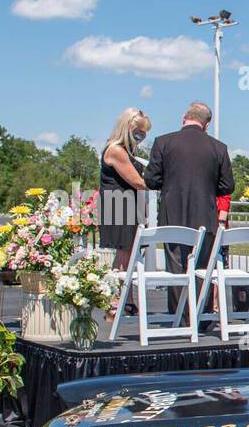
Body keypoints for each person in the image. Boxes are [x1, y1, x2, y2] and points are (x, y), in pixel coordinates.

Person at [143, 102, 235, 317]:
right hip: (205, 216)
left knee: (176, 268)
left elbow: (151, 180)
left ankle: (179, 316)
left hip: (172, 215)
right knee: (202, 268)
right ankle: (200, 316)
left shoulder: (163, 142)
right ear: (206, 124)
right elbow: (227, 186)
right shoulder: (218, 148)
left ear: (184, 118)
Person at [98, 108, 151, 272]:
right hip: (119, 206)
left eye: (144, 132)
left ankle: (125, 296)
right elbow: (138, 182)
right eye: (138, 131)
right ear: (127, 128)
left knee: (129, 254)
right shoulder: (116, 150)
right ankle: (121, 296)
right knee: (124, 254)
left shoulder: (129, 150)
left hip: (129, 205)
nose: (141, 135)